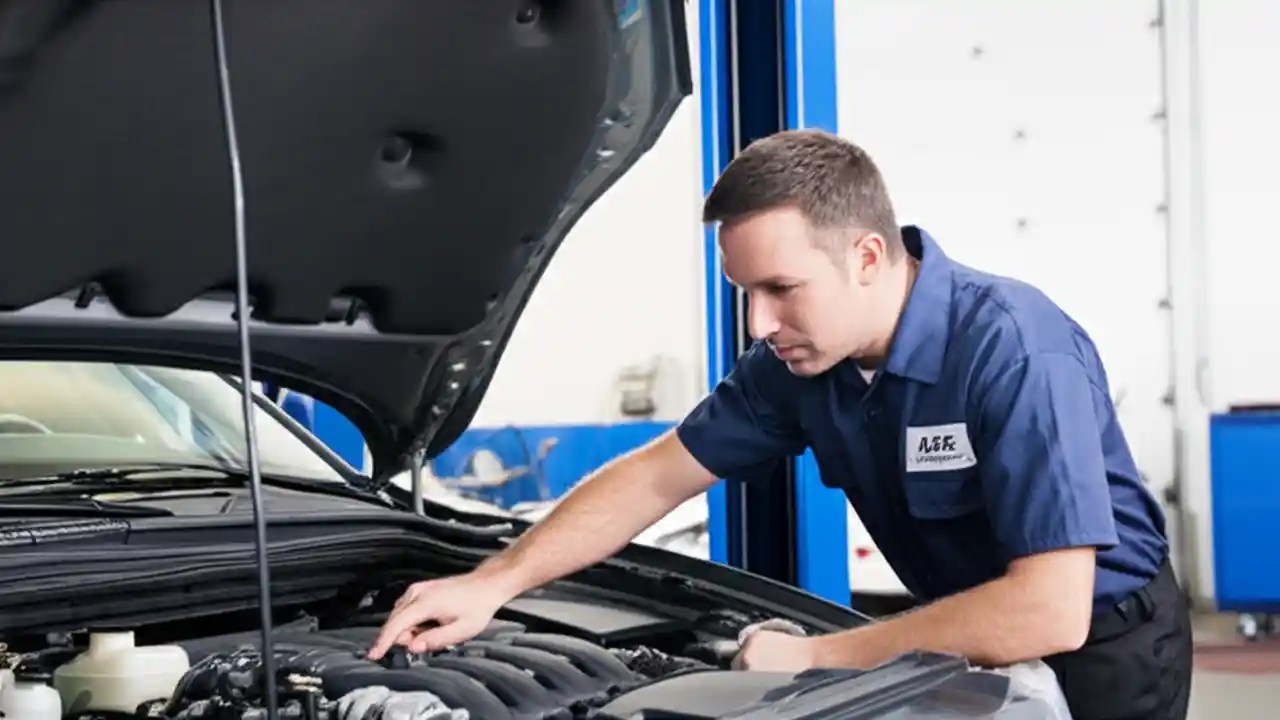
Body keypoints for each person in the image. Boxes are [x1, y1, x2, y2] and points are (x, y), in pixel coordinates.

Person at [367, 129, 1192, 719]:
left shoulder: (1013, 349)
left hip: (1105, 654)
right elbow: (656, 474)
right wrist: (495, 582)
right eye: (743, 294)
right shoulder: (797, 364)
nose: (758, 324)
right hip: (959, 635)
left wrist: (815, 654)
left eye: (782, 289)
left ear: (867, 258)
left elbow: (1051, 611)